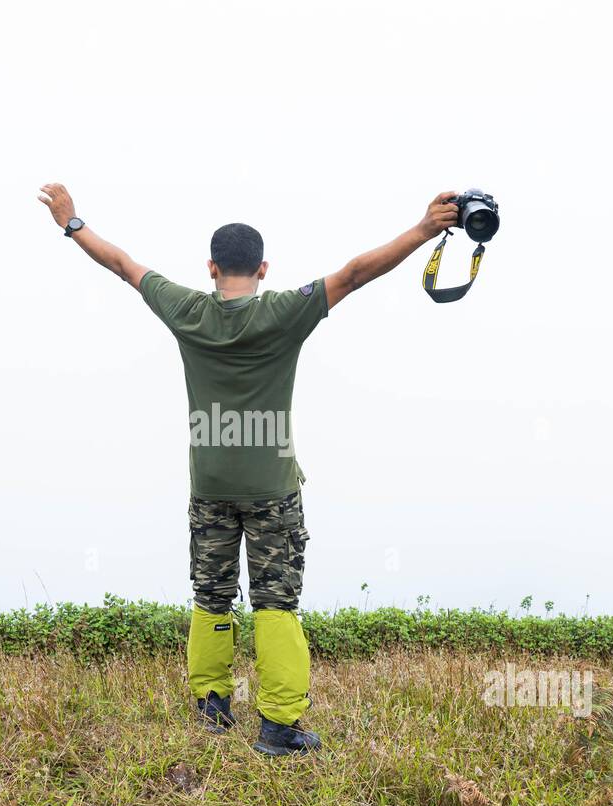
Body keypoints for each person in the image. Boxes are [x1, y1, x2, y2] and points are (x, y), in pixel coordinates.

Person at [38, 183, 461, 755]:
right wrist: (423, 229)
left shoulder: (184, 308)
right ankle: (279, 728)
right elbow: (357, 272)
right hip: (271, 490)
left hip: (209, 485)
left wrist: (71, 221)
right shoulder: (285, 312)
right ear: (263, 268)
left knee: (210, 594)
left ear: (210, 267)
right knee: (275, 602)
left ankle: (213, 707)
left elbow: (120, 263)